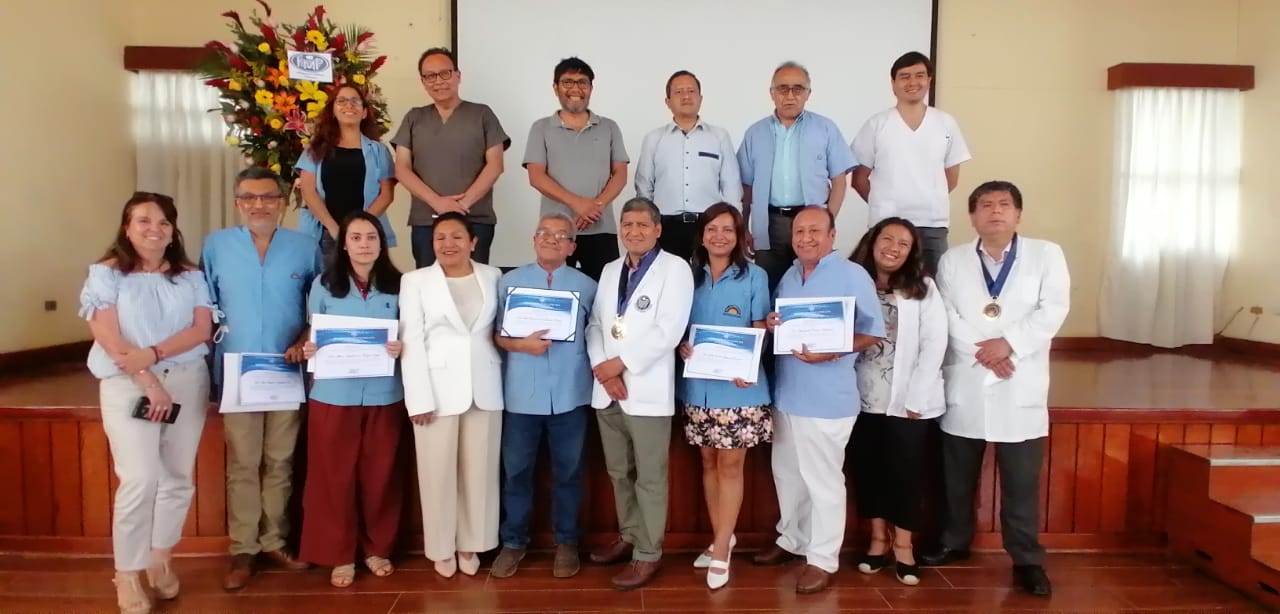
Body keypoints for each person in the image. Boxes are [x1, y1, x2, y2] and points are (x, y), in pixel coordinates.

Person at [922, 181, 1070, 598]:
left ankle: (1026, 559)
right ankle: (954, 542)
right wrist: (983, 350)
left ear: (1019, 214)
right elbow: (945, 313)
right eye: (985, 205)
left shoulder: (1046, 255)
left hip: (1019, 376)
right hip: (968, 375)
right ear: (972, 216)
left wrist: (1009, 345)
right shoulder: (953, 260)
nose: (995, 212)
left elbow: (1054, 308)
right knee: (956, 476)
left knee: (1021, 481)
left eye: (1005, 205)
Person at [80, 192, 213, 614]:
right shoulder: (106, 274)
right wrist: (148, 378)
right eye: (144, 221)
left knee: (176, 476)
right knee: (139, 478)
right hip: (128, 384)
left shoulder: (189, 275)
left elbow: (200, 329)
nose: (154, 229)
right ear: (126, 226)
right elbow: (108, 334)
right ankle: (128, 572)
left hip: (187, 380)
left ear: (174, 231)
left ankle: (160, 557)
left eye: (163, 222)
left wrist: (155, 355)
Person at [755, 206, 884, 594]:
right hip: (788, 394)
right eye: (799, 231)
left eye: (815, 230)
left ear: (832, 235)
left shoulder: (851, 274)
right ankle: (792, 539)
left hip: (828, 399)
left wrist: (836, 349)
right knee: (788, 475)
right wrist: (772, 323)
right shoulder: (790, 276)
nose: (806, 238)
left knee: (823, 481)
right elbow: (780, 326)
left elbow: (873, 332)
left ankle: (823, 559)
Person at [201, 167, 319, 590]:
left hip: (286, 371)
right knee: (244, 462)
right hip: (237, 370)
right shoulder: (216, 247)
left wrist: (305, 337)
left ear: (283, 202)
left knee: (282, 460)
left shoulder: (305, 248)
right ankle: (243, 548)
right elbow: (205, 307)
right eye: (249, 198)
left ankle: (275, 540)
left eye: (268, 197)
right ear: (237, 203)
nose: (259, 205)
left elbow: (317, 307)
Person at [585, 197, 694, 590]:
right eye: (627, 224)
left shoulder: (675, 269)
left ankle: (648, 553)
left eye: (642, 225)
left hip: (645, 388)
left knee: (649, 476)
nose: (633, 231)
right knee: (618, 473)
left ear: (658, 229)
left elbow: (668, 331)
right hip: (608, 390)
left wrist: (621, 365)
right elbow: (596, 326)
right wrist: (604, 369)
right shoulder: (611, 269)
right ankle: (630, 534)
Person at [297, 211, 405, 588]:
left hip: (384, 394)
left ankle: (377, 548)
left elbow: (412, 335)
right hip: (333, 394)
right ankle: (339, 554)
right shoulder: (324, 284)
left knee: (380, 475)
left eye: (371, 237)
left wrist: (400, 346)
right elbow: (314, 331)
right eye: (356, 237)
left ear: (382, 243)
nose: (363, 244)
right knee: (333, 476)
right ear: (343, 243)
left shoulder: (400, 285)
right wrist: (311, 347)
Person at [489, 213, 598, 580]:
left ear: (572, 246)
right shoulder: (509, 282)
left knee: (569, 473)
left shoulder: (588, 286)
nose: (552, 239)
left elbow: (598, 335)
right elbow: (495, 337)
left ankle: (566, 542)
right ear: (534, 240)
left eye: (561, 235)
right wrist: (519, 344)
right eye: (545, 234)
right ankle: (514, 542)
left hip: (571, 395)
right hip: (521, 395)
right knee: (517, 473)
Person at [399, 211, 504, 579]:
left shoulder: (493, 276)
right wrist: (418, 398)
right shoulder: (415, 281)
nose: (448, 244)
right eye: (441, 237)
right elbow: (410, 338)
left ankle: (471, 542)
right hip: (436, 391)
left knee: (480, 472)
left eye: (457, 236)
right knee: (436, 473)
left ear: (473, 242)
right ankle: (440, 546)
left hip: (486, 388)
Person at [847, 217, 947, 586]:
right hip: (860, 398)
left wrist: (917, 396)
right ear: (872, 242)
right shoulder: (850, 281)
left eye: (903, 243)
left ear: (911, 252)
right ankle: (877, 542)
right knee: (868, 472)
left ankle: (903, 545)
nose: (893, 247)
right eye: (886, 238)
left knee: (906, 475)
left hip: (909, 401)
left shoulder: (923, 288)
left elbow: (934, 343)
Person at [677, 203, 771, 590]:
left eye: (728, 229)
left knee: (730, 467)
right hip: (697, 387)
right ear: (702, 234)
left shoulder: (754, 276)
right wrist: (681, 345)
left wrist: (752, 362)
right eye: (712, 229)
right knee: (708, 462)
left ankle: (720, 550)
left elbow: (760, 328)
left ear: (739, 235)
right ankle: (723, 537)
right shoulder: (687, 275)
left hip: (739, 389)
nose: (719, 236)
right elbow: (676, 326)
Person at [850, 52, 971, 275]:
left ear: (929, 80)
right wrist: (883, 203)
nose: (912, 82)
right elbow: (858, 180)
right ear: (893, 84)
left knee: (932, 289)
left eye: (919, 75)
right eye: (904, 76)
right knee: (883, 288)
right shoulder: (877, 124)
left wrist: (926, 197)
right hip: (885, 224)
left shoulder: (946, 123)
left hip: (932, 225)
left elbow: (951, 179)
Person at [738, 62, 856, 289]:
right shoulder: (755, 133)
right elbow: (746, 188)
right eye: (782, 88)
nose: (790, 95)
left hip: (812, 223)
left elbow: (840, 182)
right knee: (768, 287)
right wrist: (744, 228)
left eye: (798, 89)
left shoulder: (826, 128)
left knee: (814, 286)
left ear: (808, 93)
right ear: (772, 93)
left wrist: (827, 221)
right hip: (769, 224)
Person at [392, 47, 509, 267]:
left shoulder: (482, 114)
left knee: (473, 287)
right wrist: (437, 203)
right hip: (427, 221)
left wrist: (461, 205)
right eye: (430, 76)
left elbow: (495, 165)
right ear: (423, 81)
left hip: (474, 219)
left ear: (458, 75)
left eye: (445, 73)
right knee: (429, 289)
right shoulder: (414, 117)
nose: (438, 81)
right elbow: (401, 168)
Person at [524, 56, 629, 281]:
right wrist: (578, 204)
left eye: (582, 82)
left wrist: (595, 207)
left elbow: (620, 173)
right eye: (567, 82)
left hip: (601, 228)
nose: (575, 88)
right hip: (556, 230)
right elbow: (536, 176)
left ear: (591, 88)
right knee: (555, 289)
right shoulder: (541, 128)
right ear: (555, 87)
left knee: (605, 293)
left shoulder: (609, 127)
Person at [634, 70, 742, 259]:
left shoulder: (718, 136)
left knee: (707, 281)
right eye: (678, 92)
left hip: (708, 226)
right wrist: (649, 225)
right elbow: (644, 187)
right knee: (669, 283)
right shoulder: (654, 139)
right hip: (665, 226)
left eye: (691, 91)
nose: (686, 96)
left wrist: (732, 225)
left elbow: (731, 185)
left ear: (700, 98)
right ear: (667, 102)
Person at [297, 83, 398, 257]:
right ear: (333, 111)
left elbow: (387, 194)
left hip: (366, 236)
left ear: (365, 112)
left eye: (355, 101)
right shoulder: (315, 148)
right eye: (342, 101)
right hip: (326, 233)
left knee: (368, 283)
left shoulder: (379, 151)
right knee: (327, 283)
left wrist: (359, 229)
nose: (349, 105)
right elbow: (308, 191)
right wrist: (335, 229)